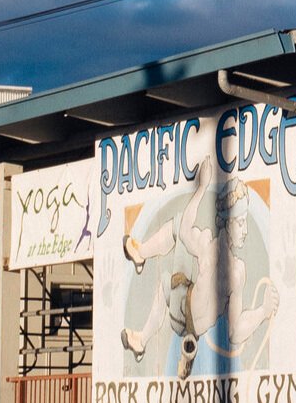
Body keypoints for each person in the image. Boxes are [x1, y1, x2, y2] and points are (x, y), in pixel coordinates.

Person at [118, 150, 280, 378]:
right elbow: (235, 331)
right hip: (185, 311)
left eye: (244, 223)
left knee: (174, 248)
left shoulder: (225, 260)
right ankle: (141, 256)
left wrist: (263, 311)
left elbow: (235, 331)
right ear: (227, 222)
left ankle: (142, 256)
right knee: (178, 236)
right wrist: (202, 187)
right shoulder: (217, 253)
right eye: (239, 223)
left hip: (184, 318)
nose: (244, 231)